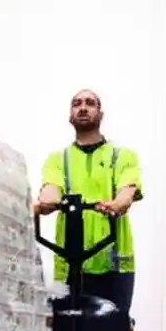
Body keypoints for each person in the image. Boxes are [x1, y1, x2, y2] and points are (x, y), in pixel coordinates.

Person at [33, 89, 142, 312]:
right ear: (70, 115)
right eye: (77, 103)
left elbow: (127, 190)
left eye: (90, 103)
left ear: (100, 114)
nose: (83, 107)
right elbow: (51, 189)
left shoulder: (123, 156)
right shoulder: (57, 159)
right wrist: (45, 203)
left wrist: (119, 203)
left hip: (114, 267)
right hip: (69, 265)